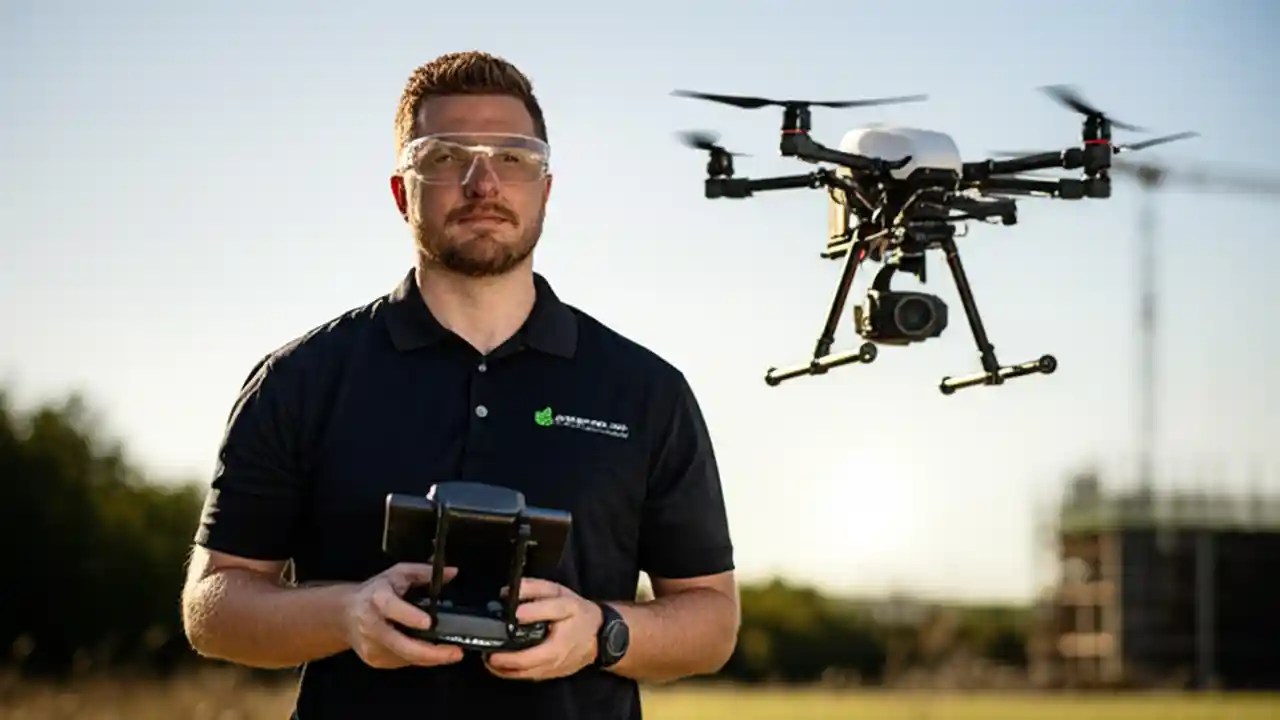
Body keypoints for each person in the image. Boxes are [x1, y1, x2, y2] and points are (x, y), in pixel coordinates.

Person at [180, 50, 740, 719]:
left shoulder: (646, 390)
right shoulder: (301, 379)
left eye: (512, 157)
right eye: (445, 156)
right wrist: (348, 614)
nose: (482, 182)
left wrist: (600, 633)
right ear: (401, 191)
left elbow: (712, 619)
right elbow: (212, 608)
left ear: (545, 188)